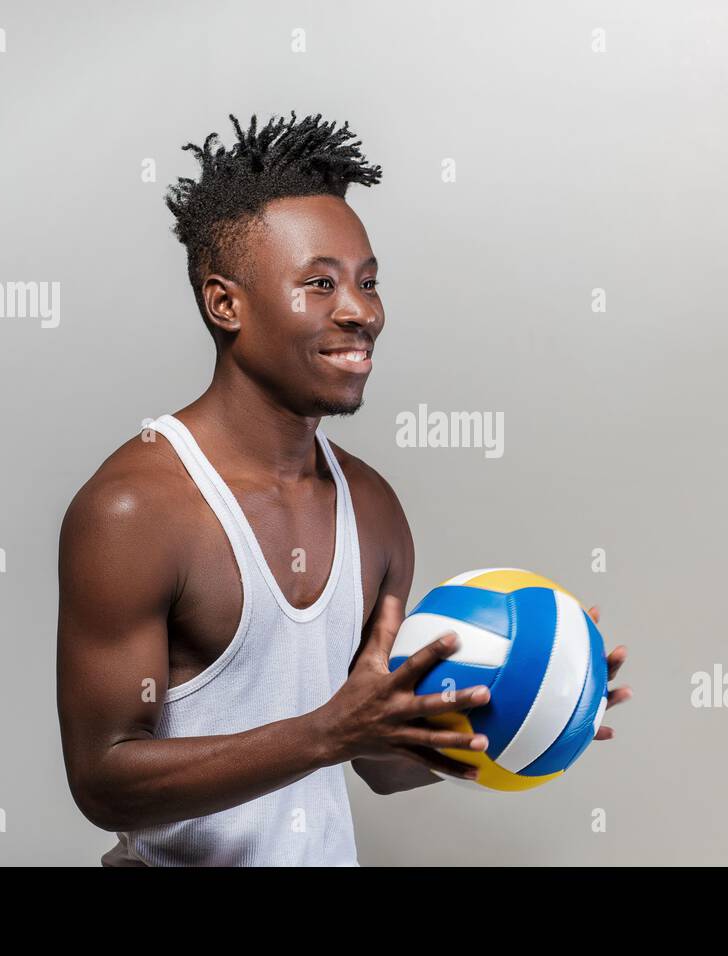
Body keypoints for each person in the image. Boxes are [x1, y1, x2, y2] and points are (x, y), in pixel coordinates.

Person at [54, 112, 631, 866]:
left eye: (367, 282)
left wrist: (531, 705)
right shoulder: (137, 510)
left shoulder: (375, 511)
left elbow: (378, 760)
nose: (360, 312)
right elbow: (104, 783)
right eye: (320, 284)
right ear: (225, 303)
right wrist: (327, 731)